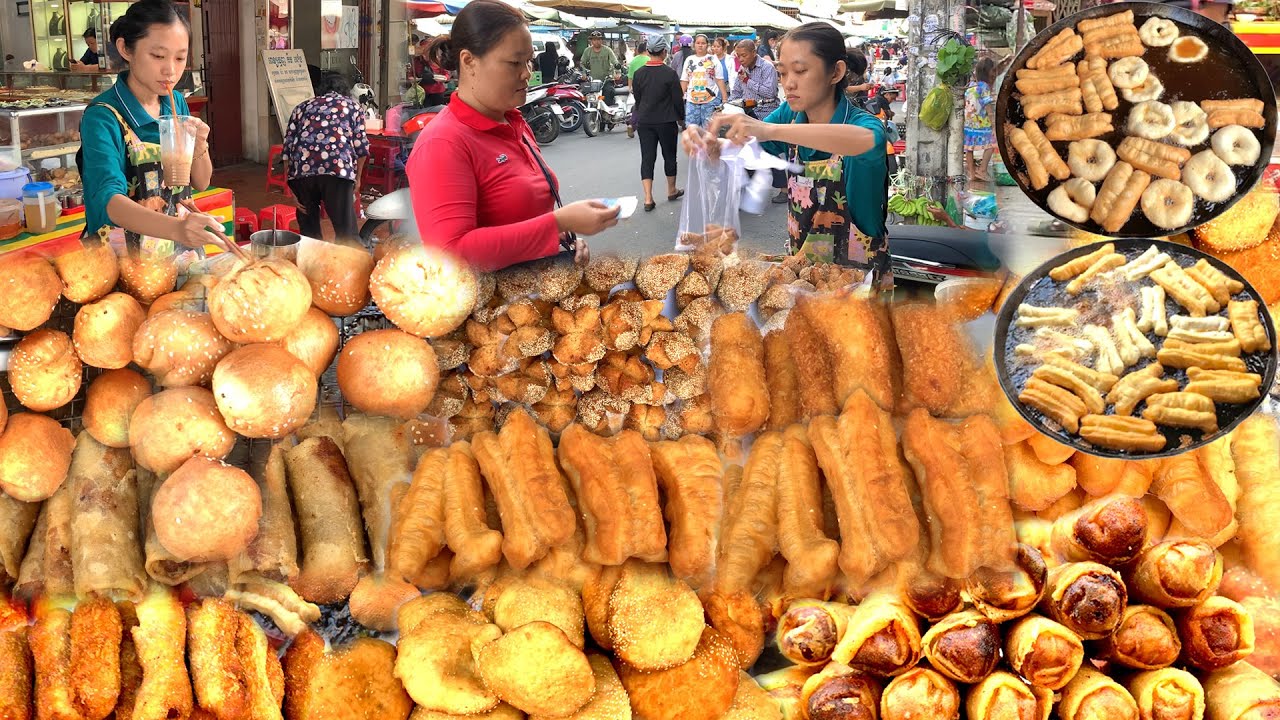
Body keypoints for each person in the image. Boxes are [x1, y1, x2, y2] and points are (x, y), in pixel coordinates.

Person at [406, 0, 618, 271]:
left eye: (529, 61)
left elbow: (521, 222)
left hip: (536, 294)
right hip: (489, 307)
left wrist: (560, 239)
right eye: (514, 62)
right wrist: (557, 222)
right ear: (469, 61)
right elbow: (450, 254)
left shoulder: (515, 123)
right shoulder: (443, 143)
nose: (527, 73)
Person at [683, 22, 890, 290]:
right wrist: (714, 147)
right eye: (782, 73)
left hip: (860, 290)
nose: (788, 83)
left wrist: (772, 129)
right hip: (801, 282)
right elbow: (750, 150)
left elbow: (868, 142)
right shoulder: (790, 114)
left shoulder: (863, 125)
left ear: (836, 72)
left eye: (801, 71)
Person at [79, 0, 227, 255]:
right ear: (125, 48)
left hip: (179, 255)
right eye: (158, 56)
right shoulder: (103, 117)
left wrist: (200, 143)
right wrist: (178, 229)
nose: (170, 70)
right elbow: (108, 201)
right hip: (124, 261)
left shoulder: (176, 103)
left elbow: (200, 182)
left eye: (180, 57)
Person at [281, 72, 368, 240]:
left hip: (302, 173)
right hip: (337, 170)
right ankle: (348, 264)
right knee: (346, 232)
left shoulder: (302, 107)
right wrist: (357, 178)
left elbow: (287, 149)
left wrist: (291, 185)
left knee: (309, 232)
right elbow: (361, 147)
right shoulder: (352, 106)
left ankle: (311, 264)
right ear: (345, 90)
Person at [631, 36, 684, 212]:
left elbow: (638, 98)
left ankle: (648, 198)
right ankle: (671, 190)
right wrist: (681, 119)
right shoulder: (669, 73)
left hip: (645, 121)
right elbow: (677, 100)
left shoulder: (639, 74)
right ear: (664, 52)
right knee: (669, 156)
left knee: (647, 158)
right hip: (666, 121)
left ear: (648, 52)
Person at [729, 39, 785, 203]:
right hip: (747, 113)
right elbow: (736, 92)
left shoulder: (767, 67)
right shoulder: (742, 69)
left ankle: (783, 187)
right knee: (745, 150)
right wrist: (729, 105)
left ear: (754, 52)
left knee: (770, 150)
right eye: (738, 56)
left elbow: (769, 92)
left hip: (766, 113)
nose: (741, 59)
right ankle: (746, 189)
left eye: (744, 55)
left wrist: (748, 81)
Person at [680, 34, 727, 129]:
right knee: (691, 129)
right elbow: (684, 79)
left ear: (707, 45)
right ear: (694, 45)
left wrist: (725, 98)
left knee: (709, 129)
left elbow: (719, 79)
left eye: (703, 43)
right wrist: (680, 96)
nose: (700, 45)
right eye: (698, 43)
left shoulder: (713, 59)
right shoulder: (689, 60)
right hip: (692, 100)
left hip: (710, 100)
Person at [965, 56, 997, 182]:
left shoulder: (971, 85)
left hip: (968, 124)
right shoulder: (984, 87)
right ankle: (982, 170)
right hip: (982, 124)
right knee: (991, 145)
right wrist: (993, 124)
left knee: (969, 149)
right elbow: (988, 106)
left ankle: (972, 173)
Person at [580, 30, 619, 106]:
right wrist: (584, 73)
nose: (597, 41)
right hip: (592, 80)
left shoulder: (607, 50)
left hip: (606, 80)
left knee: (608, 93)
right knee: (584, 96)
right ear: (591, 41)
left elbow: (615, 62)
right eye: (594, 40)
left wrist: (618, 72)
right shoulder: (587, 51)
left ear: (601, 40)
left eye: (599, 39)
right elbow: (582, 63)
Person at [867, 84, 900, 173]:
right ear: (887, 94)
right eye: (892, 98)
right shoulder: (876, 102)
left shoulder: (882, 102)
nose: (892, 101)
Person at [626, 39, 649, 139]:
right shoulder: (649, 60)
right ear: (646, 50)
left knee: (638, 105)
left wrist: (630, 88)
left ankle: (632, 124)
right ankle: (636, 124)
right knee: (645, 106)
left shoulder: (633, 61)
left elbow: (630, 76)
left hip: (636, 87)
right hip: (648, 86)